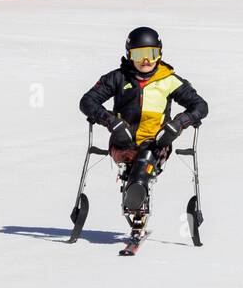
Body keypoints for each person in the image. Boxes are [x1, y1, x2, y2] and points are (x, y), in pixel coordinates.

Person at [79, 27, 209, 225]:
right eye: (138, 55)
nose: (146, 61)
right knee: (134, 159)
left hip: (157, 144)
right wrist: (111, 122)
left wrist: (177, 124)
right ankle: (135, 197)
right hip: (122, 143)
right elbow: (87, 102)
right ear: (129, 55)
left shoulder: (168, 80)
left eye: (151, 54)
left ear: (159, 53)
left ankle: (137, 201)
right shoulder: (117, 78)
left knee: (145, 158)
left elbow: (200, 106)